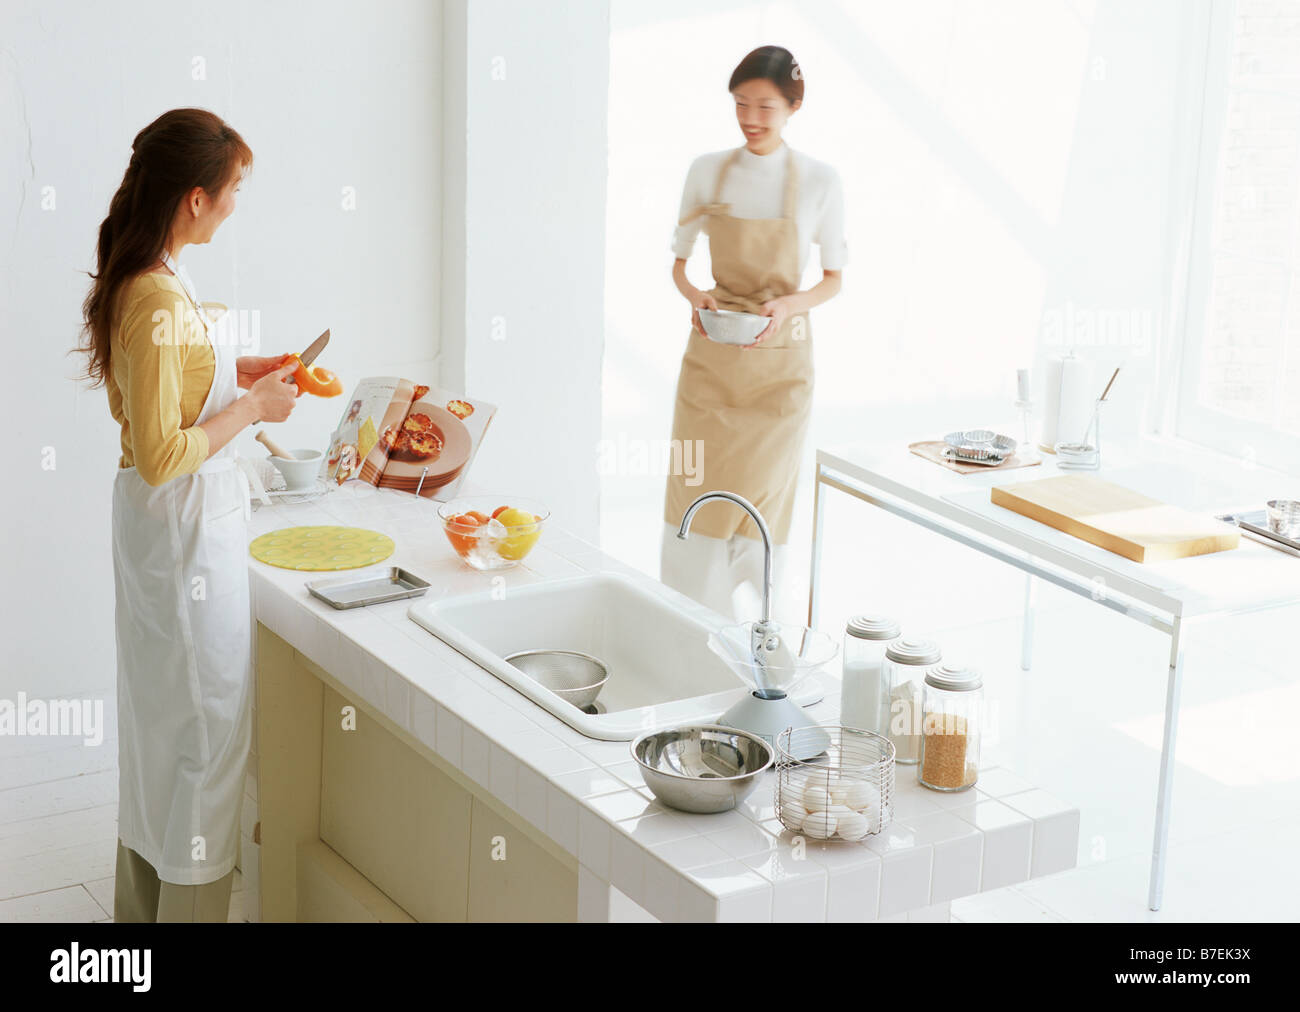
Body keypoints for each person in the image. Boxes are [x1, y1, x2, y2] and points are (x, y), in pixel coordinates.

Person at [77, 108, 301, 922]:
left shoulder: (155, 274)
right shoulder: (154, 294)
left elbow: (169, 382)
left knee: (163, 734)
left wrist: (239, 371)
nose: (237, 204)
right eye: (233, 189)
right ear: (196, 197)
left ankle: (141, 918)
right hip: (183, 537)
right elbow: (163, 451)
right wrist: (254, 407)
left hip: (165, 535)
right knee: (206, 741)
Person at [662, 46, 846, 622]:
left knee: (763, 501)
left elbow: (833, 280)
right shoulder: (707, 170)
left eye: (765, 106)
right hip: (710, 363)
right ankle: (688, 627)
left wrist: (790, 304)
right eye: (741, 104)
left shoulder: (819, 180)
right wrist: (695, 296)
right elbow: (679, 265)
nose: (751, 118)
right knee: (693, 487)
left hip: (779, 371)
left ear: (794, 107)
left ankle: (759, 636)